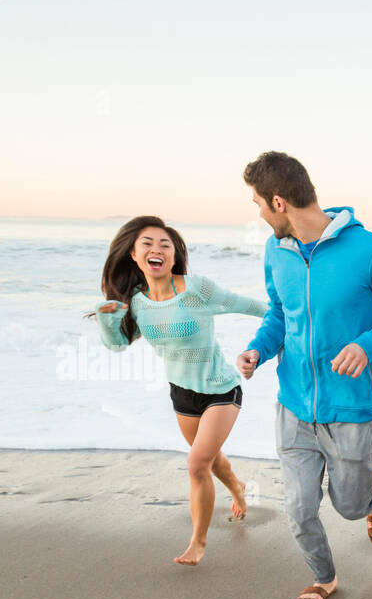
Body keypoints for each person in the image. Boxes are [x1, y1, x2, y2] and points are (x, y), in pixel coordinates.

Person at [235, 151, 372, 599]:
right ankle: (323, 578)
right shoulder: (277, 250)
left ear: (279, 202)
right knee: (297, 509)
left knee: (349, 506)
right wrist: (260, 347)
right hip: (293, 404)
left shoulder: (369, 249)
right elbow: (279, 314)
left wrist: (368, 345)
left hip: (350, 408)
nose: (257, 214)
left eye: (258, 204)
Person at [93, 216, 265, 566]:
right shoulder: (136, 303)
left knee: (196, 463)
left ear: (173, 257)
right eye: (147, 243)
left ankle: (198, 543)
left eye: (165, 245)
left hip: (221, 389)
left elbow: (248, 305)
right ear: (134, 255)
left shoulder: (196, 289)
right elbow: (117, 345)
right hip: (182, 395)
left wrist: (290, 321)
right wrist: (107, 320)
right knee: (211, 461)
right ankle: (237, 488)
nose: (157, 249)